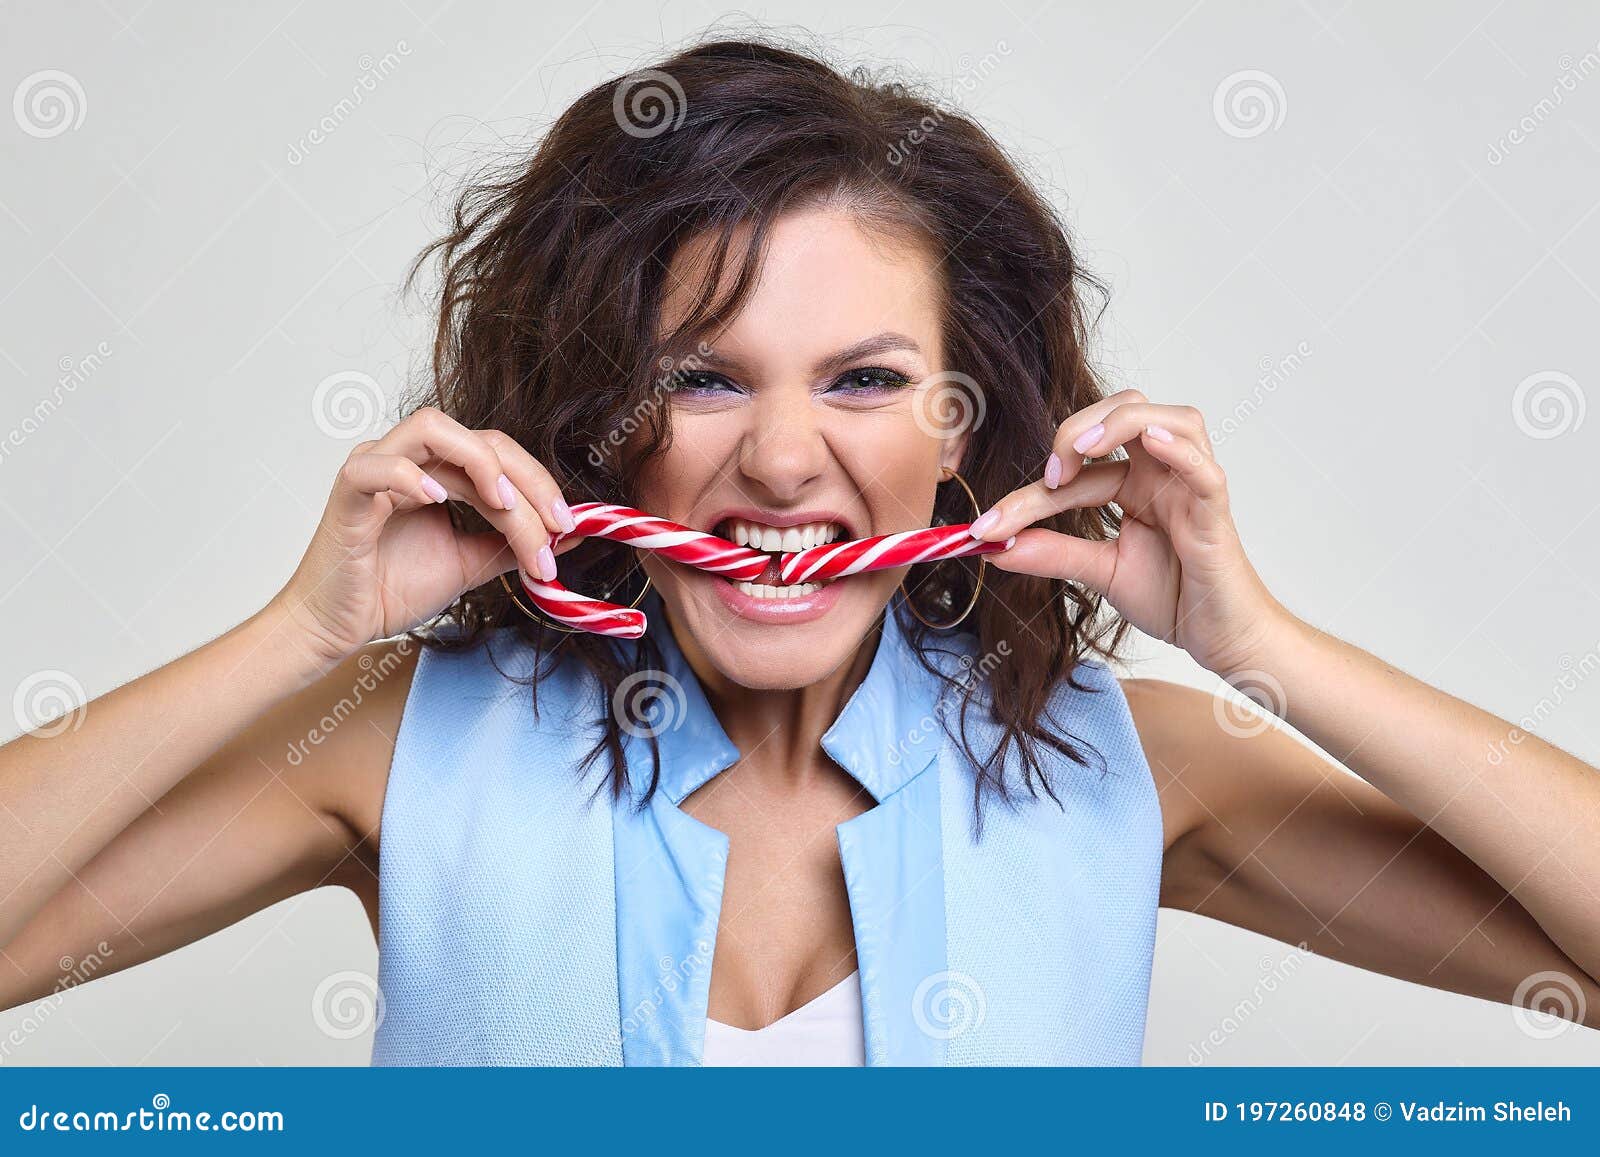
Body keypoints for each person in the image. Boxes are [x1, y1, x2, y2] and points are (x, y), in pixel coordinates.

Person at [2, 38, 1595, 1066]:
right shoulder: (402, 745)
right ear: (599, 420)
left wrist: (1267, 650)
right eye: (700, 376)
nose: (778, 456)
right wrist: (301, 632)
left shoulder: (1124, 767)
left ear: (966, 428)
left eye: (865, 380)